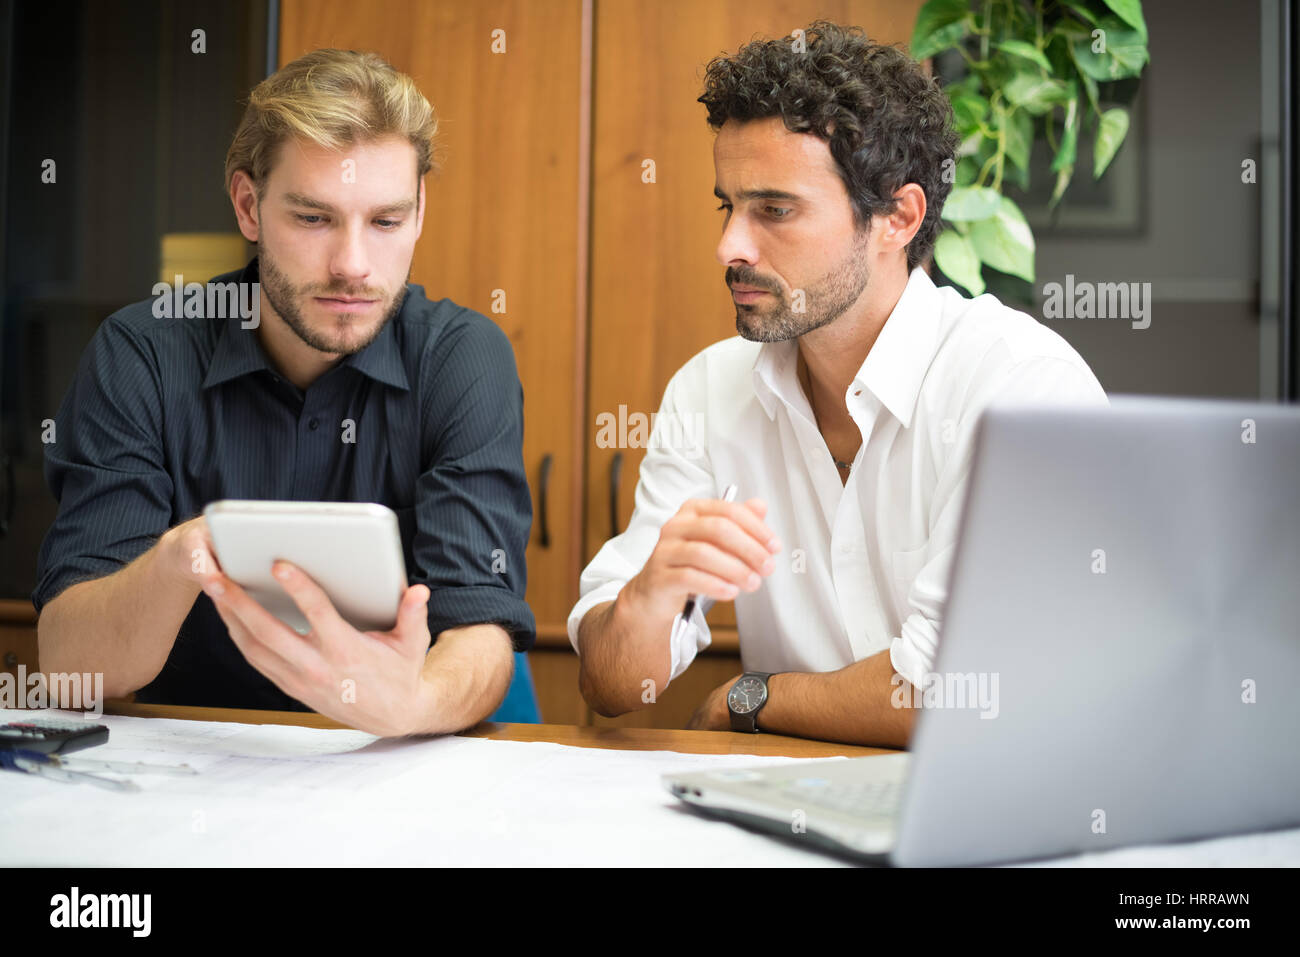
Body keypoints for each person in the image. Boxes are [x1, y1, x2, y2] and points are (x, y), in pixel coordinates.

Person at [567, 22, 1107, 748]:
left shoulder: (1020, 386)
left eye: (775, 209)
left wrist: (751, 698)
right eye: (727, 205)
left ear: (897, 217)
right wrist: (650, 595)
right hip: (785, 821)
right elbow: (611, 686)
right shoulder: (708, 390)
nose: (729, 246)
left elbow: (953, 690)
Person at [34, 49, 534, 737]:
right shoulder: (142, 354)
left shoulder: (463, 358)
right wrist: (187, 554)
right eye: (314, 219)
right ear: (249, 205)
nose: (353, 265)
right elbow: (65, 665)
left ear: (419, 212)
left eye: (385, 222)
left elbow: (482, 629)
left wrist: (411, 703)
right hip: (190, 776)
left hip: (392, 769)